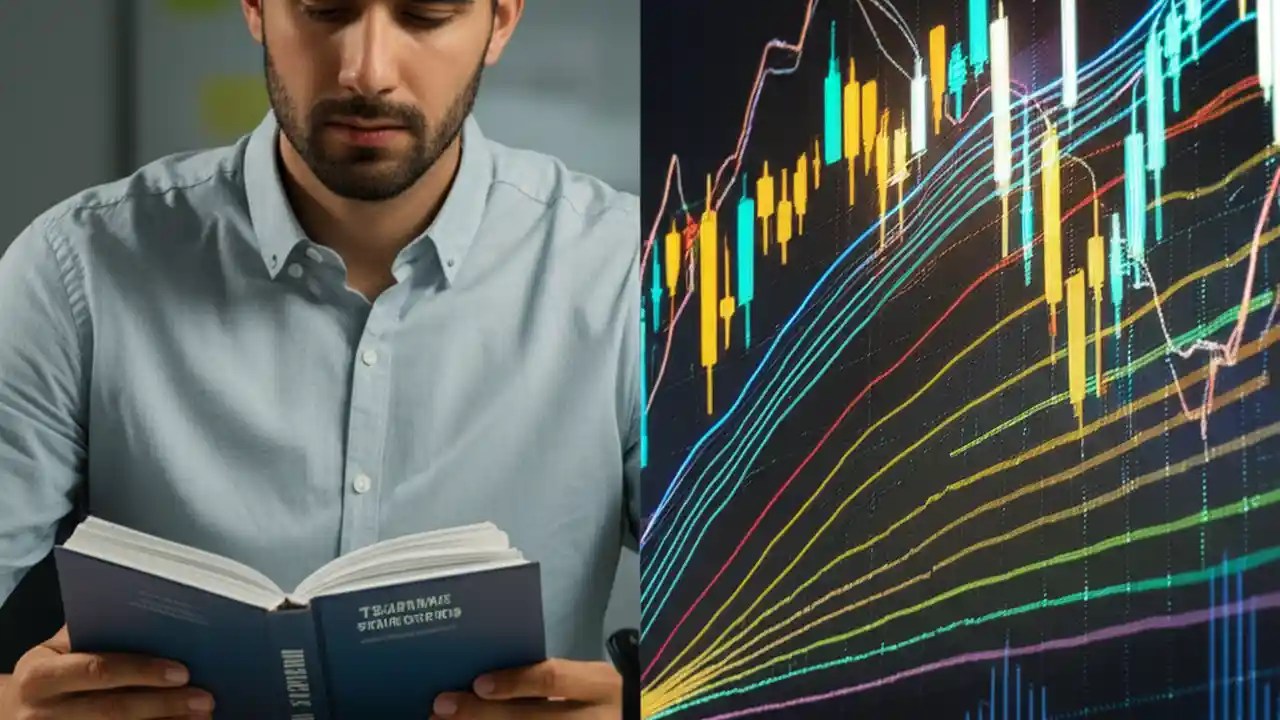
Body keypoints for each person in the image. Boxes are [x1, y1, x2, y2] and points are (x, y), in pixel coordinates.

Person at [0, 0, 639, 717]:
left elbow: (775, 667)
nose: (366, 70)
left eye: (425, 16)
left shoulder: (631, 276)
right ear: (255, 9)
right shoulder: (74, 271)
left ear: (502, 20)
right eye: (324, 10)